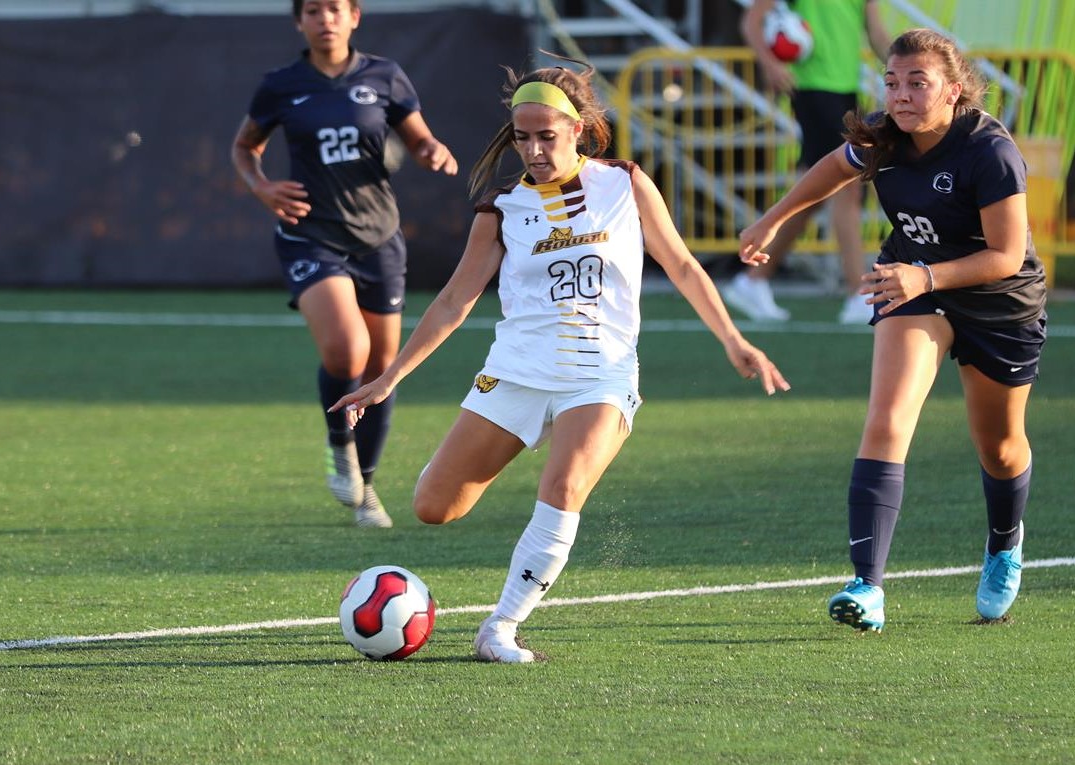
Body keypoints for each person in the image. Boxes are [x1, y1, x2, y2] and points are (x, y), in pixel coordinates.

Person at [331, 59, 791, 661]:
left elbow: (680, 263)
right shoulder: (502, 207)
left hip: (600, 374)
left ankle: (500, 628)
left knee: (565, 485)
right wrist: (390, 378)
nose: (534, 149)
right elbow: (453, 301)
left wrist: (733, 339)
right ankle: (519, 485)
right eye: (523, 137)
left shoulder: (624, 183)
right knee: (433, 507)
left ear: (579, 129)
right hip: (517, 371)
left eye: (547, 135)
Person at [739, 28, 1047, 631]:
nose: (901, 95)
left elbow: (1007, 256)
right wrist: (773, 220)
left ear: (953, 91)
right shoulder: (882, 134)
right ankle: (868, 585)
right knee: (886, 420)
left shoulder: (989, 151)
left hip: (998, 299)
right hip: (911, 284)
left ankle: (1004, 546)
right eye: (891, 81)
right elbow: (833, 168)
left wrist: (926, 277)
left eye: (917, 82)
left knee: (1000, 445)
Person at [230, 0, 458, 528]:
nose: (324, 18)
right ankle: (340, 445)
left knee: (383, 369)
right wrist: (261, 187)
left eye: (334, 8)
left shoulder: (385, 76)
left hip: (377, 237)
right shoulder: (281, 84)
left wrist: (430, 151)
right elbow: (244, 148)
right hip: (309, 235)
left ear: (355, 17)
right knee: (346, 348)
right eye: (313, 10)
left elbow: (418, 136)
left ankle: (368, 485)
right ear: (299, 22)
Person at [732, 0, 892, 323]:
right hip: (813, 88)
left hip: (846, 88)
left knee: (812, 193)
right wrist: (770, 63)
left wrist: (910, 67)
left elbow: (875, 32)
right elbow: (752, 20)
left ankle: (753, 280)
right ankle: (857, 294)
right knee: (848, 182)